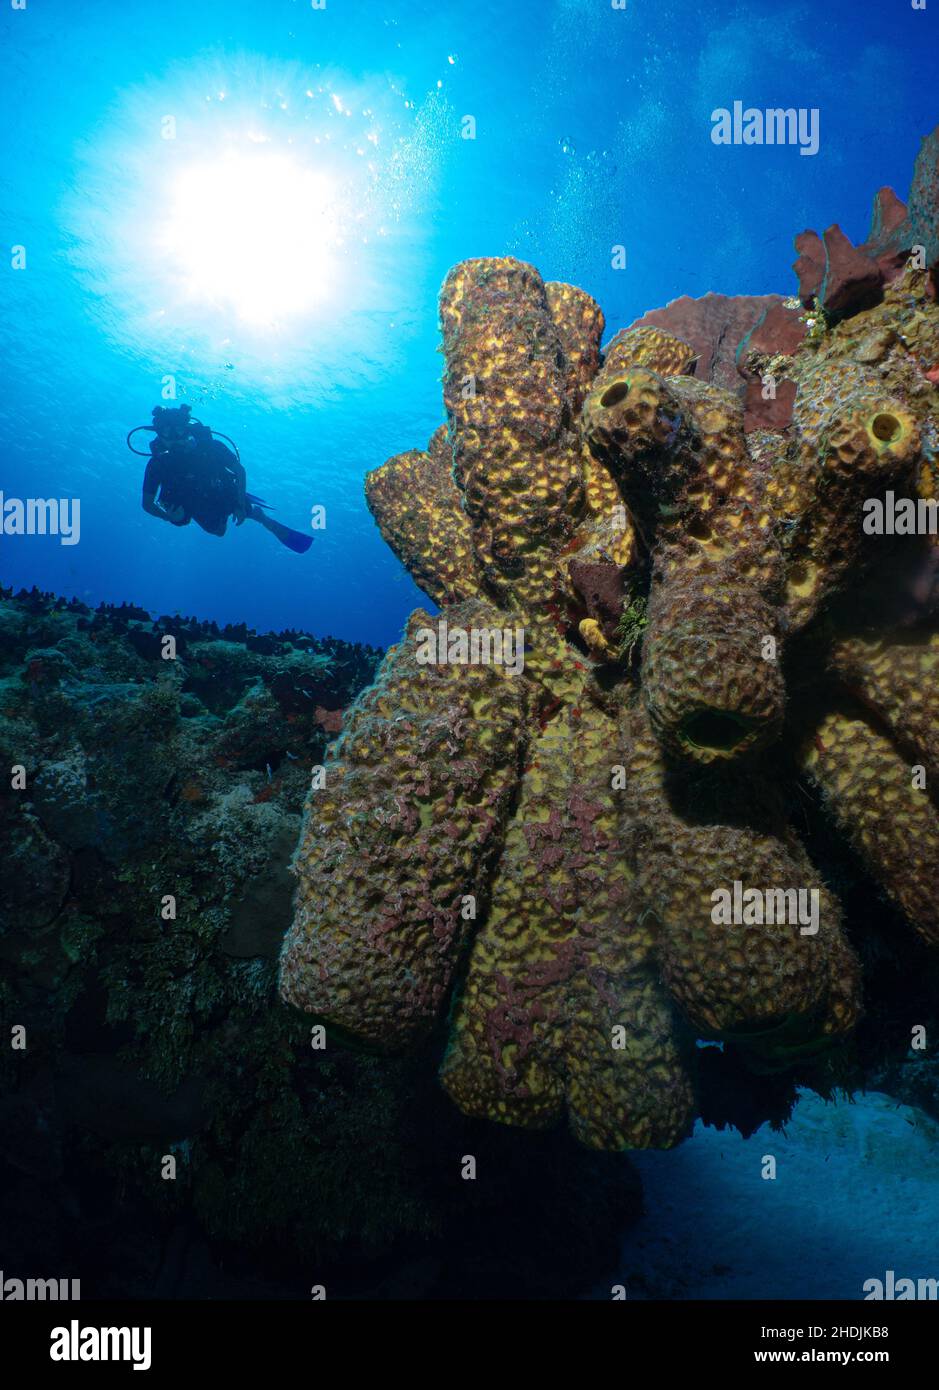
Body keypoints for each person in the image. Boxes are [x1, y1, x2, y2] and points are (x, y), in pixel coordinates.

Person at [139, 405, 312, 553]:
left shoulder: (210, 447)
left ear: (187, 429)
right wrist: (167, 517)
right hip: (191, 503)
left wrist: (238, 505)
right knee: (218, 531)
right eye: (167, 432)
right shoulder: (157, 465)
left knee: (240, 511)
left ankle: (259, 515)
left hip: (222, 490)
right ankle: (238, 508)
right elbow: (147, 504)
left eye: (179, 430)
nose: (175, 438)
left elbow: (239, 471)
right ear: (159, 435)